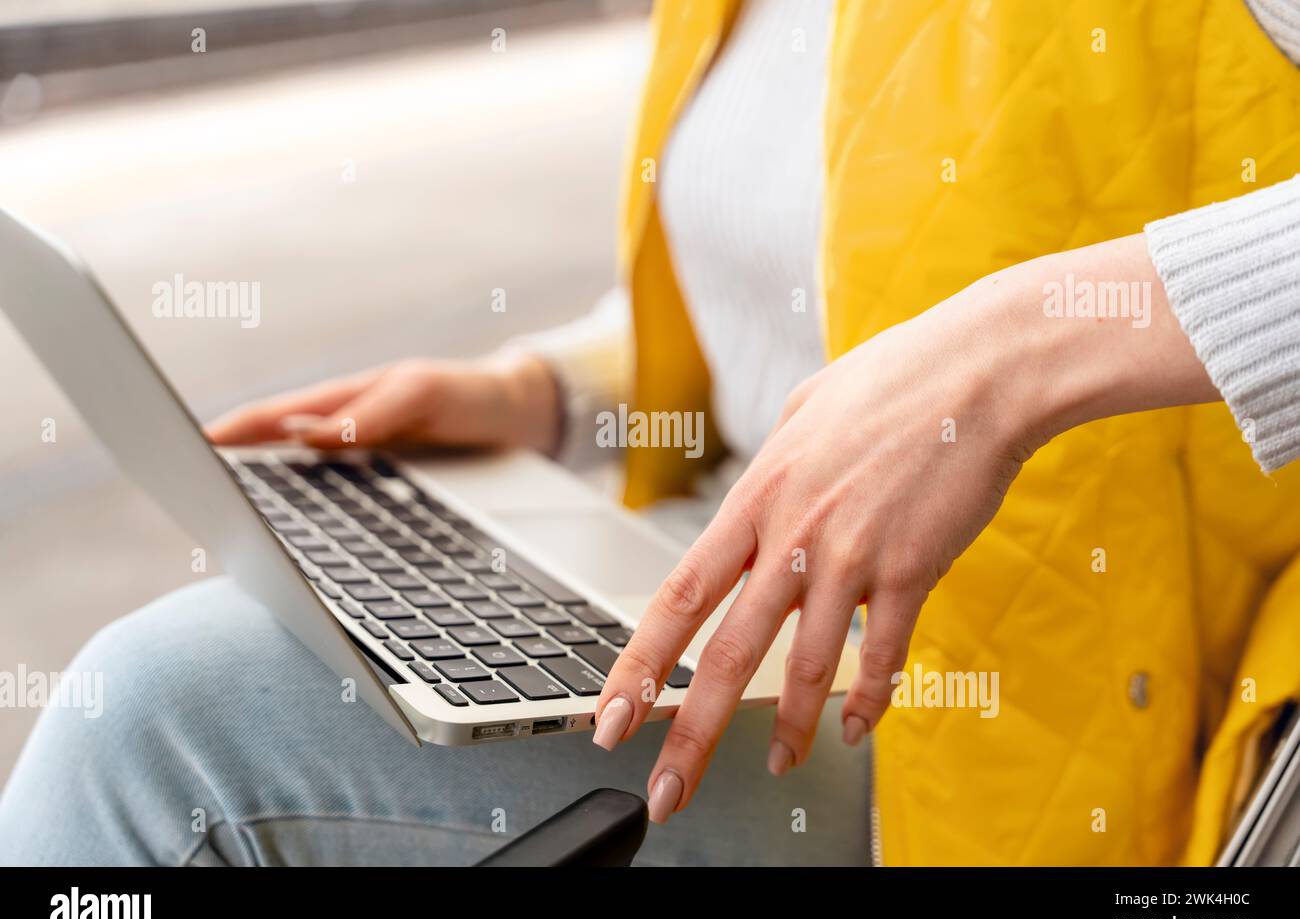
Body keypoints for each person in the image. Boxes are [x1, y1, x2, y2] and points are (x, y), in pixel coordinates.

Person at [3, 0, 1299, 866]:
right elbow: (806, 290)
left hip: (964, 687)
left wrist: (1020, 352)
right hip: (713, 569)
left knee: (165, 728)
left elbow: (957, 332)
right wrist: (541, 393)